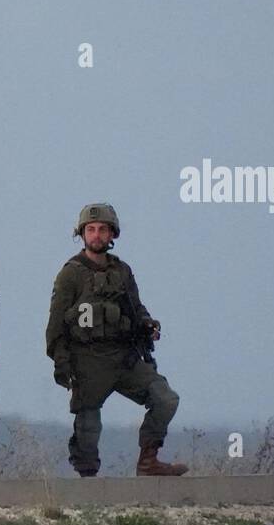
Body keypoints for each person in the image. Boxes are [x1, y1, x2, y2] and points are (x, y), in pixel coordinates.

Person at [45, 203, 187, 477]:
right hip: (88, 360)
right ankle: (88, 480)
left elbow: (136, 307)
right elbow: (55, 326)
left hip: (124, 357)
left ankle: (148, 460)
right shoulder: (70, 274)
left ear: (112, 235)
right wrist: (62, 362)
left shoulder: (122, 271)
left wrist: (148, 324)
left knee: (165, 398)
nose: (96, 235)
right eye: (91, 229)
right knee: (88, 425)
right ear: (82, 234)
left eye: (102, 230)